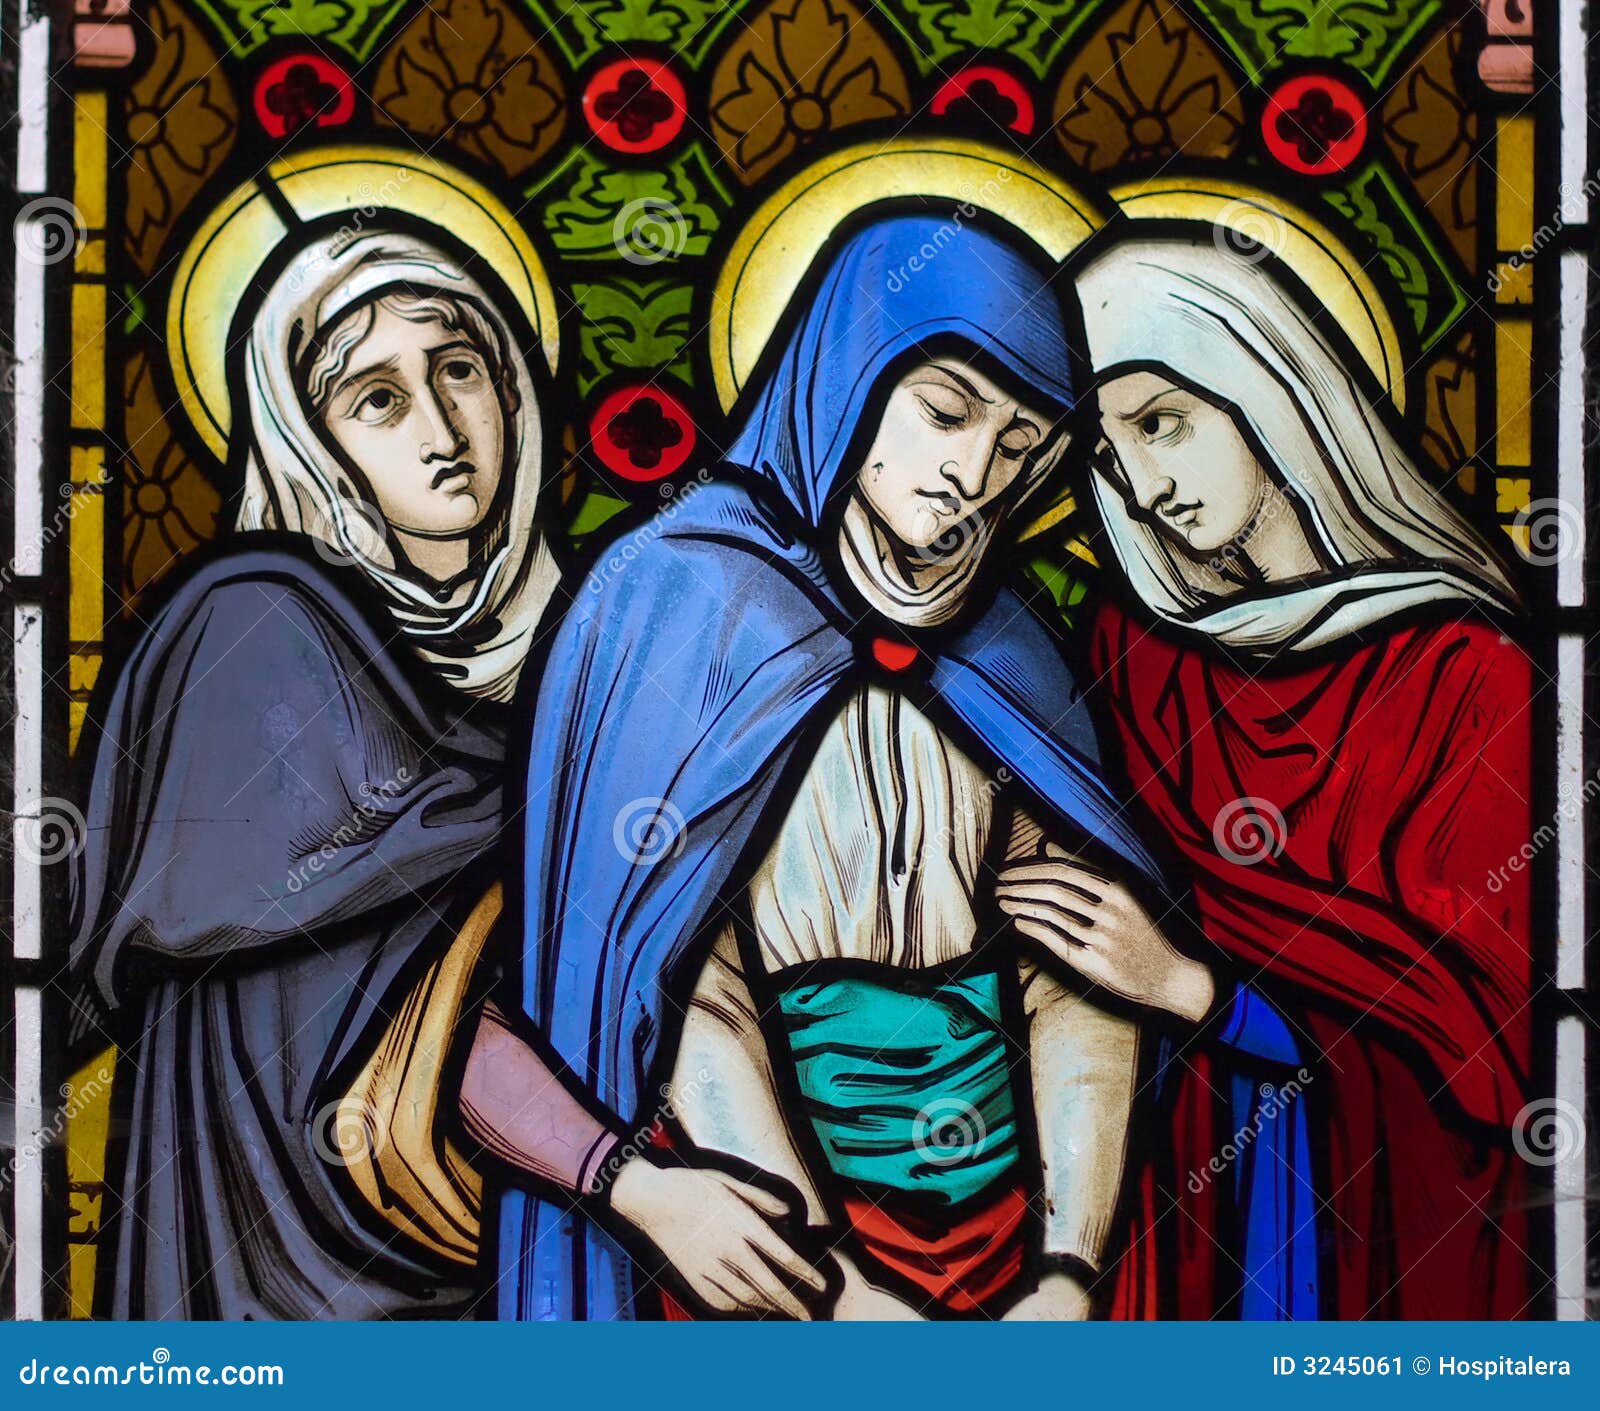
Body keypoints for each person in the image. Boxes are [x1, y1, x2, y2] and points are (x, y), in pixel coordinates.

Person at [475, 212, 1191, 1321]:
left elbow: (1075, 969)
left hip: (1020, 1234)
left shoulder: (1012, 650)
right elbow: (682, 992)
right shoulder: (674, 602)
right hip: (766, 1244)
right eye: (946, 411)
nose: (972, 474)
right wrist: (835, 1290)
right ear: (845, 374)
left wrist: (1067, 1268)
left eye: (1016, 443)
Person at [1013, 232, 1534, 1318]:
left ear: (1269, 390)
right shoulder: (1129, 655)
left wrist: (1198, 993)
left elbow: (1488, 1047)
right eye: (1104, 455)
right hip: (1178, 1188)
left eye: (1163, 423)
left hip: (1382, 1231)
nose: (1143, 487)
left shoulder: (1466, 677)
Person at [69, 224, 560, 1318]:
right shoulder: (248, 619)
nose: (442, 428)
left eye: (460, 369)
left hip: (506, 1226)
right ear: (307, 437)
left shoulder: (581, 645)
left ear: (514, 390)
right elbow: (253, 902)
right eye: (376, 398)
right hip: (271, 1256)